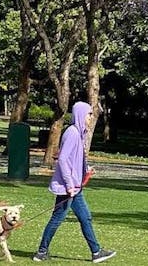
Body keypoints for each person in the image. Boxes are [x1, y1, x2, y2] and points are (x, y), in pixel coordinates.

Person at [32, 102, 115, 264]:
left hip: (75, 188)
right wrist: (70, 184)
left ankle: (96, 252)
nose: (91, 118)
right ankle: (41, 252)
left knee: (86, 218)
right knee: (57, 219)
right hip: (68, 188)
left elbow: (74, 159)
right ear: (80, 114)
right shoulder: (72, 133)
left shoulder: (79, 133)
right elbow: (62, 160)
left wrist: (86, 170)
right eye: (89, 114)